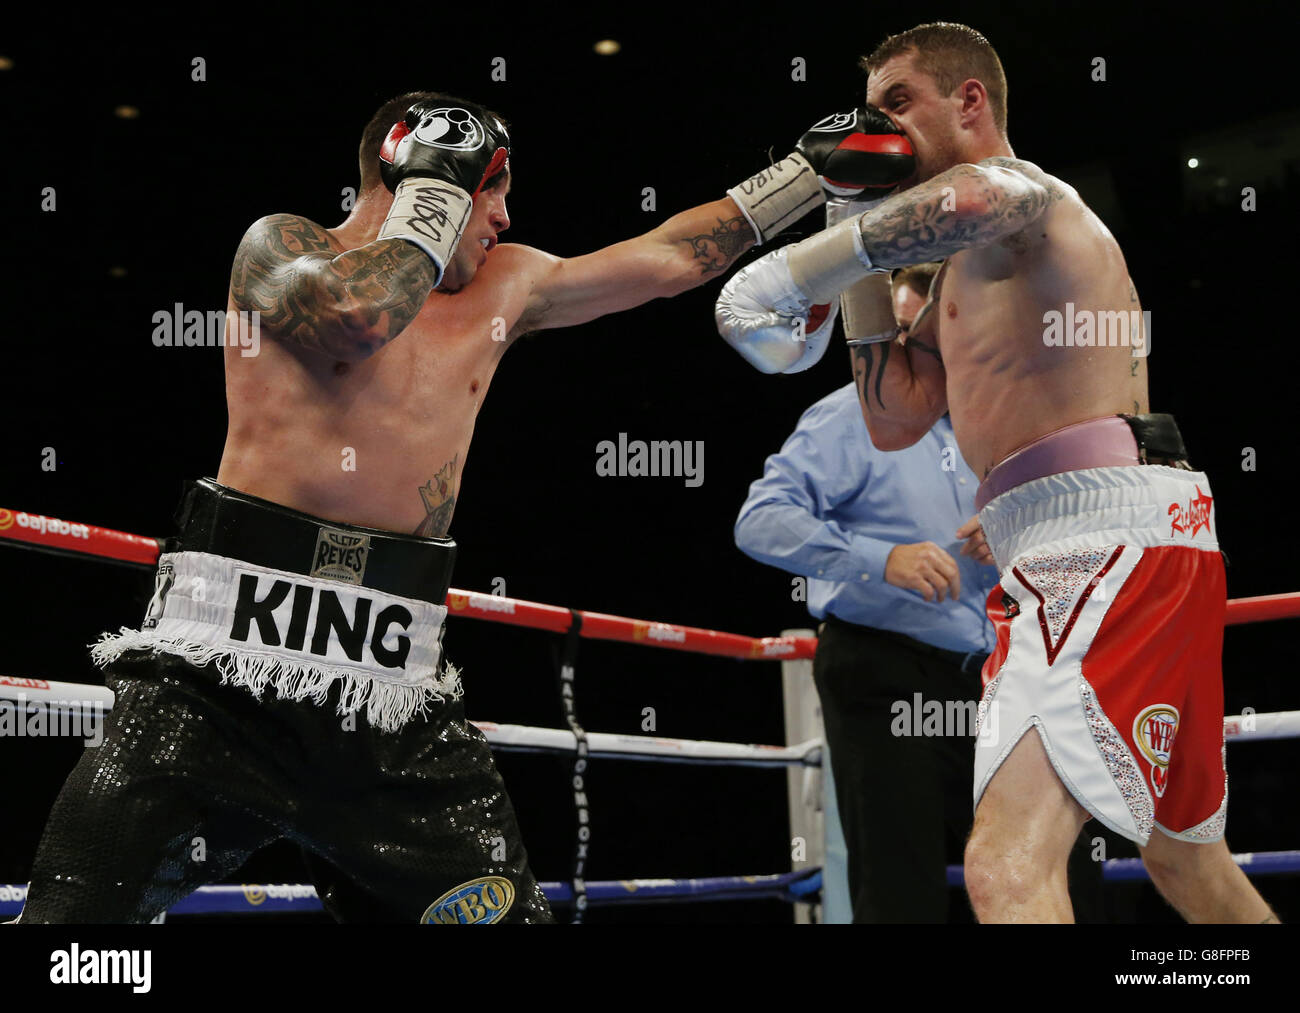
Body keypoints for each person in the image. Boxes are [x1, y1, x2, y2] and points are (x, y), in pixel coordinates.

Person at [17, 92, 913, 924]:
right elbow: (359, 318)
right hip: (217, 683)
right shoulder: (284, 249)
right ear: (418, 175)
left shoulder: (509, 284)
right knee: (79, 941)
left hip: (392, 703)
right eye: (492, 193)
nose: (504, 218)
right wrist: (436, 192)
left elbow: (673, 259)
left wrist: (807, 175)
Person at [715, 24, 1278, 923]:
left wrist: (790, 267)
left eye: (899, 104)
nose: (880, 128)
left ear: (970, 101)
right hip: (1078, 544)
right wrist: (844, 214)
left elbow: (975, 196)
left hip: (1103, 538)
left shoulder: (1029, 199)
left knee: (1004, 869)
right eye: (869, 114)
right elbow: (892, 415)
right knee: (1183, 860)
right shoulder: (949, 286)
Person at [732, 264, 1103, 921]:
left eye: (932, 341)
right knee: (901, 892)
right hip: (885, 670)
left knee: (1046, 866)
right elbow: (759, 520)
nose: (915, 357)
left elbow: (1076, 548)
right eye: (900, 339)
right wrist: (880, 558)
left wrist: (1018, 537)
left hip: (997, 678)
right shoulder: (848, 417)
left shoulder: (1002, 428)